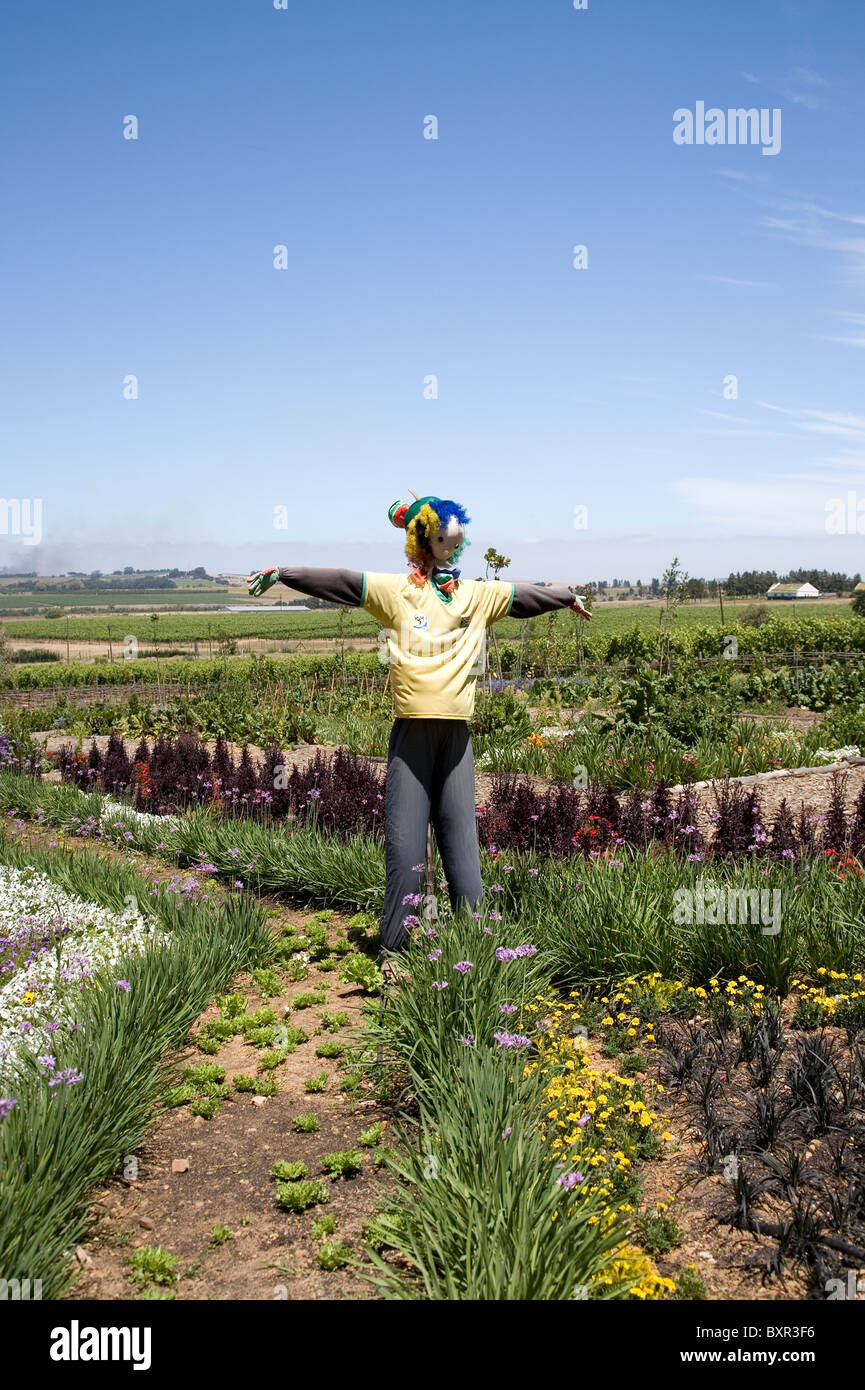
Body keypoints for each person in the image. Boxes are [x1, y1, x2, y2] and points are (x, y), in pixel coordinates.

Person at [249, 494, 591, 958]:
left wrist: (565, 596)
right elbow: (345, 582)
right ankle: (395, 952)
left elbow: (522, 595)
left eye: (456, 537)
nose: (452, 542)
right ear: (424, 538)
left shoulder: (475, 595)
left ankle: (477, 954)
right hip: (412, 740)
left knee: (464, 855)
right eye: (444, 536)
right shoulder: (398, 592)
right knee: (406, 854)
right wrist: (284, 573)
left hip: (456, 741)